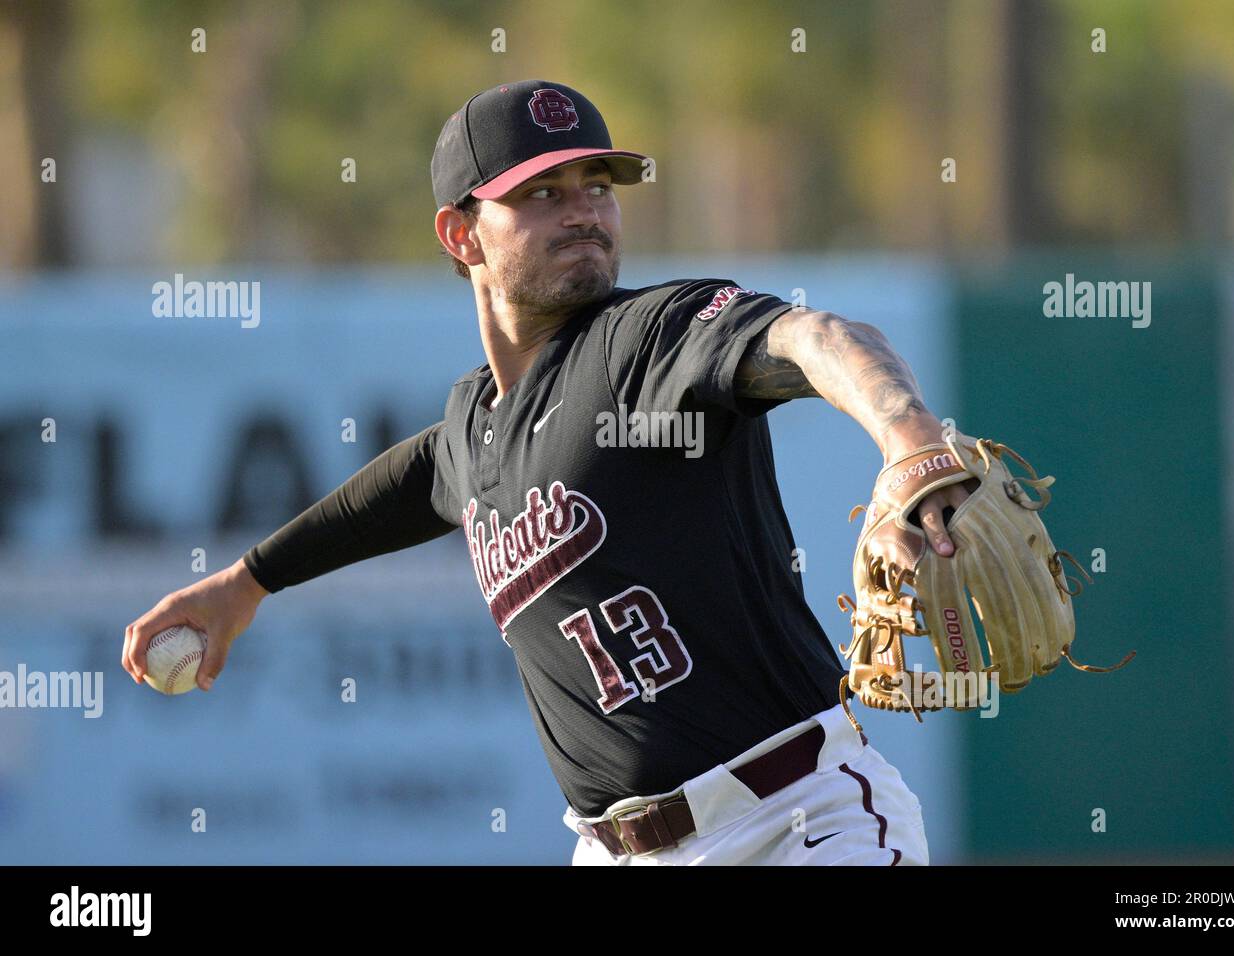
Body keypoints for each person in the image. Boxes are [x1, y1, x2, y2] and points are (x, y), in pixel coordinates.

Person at [123, 79, 970, 866]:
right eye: (541, 194)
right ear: (461, 233)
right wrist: (248, 581)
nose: (585, 213)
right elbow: (400, 489)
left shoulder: (650, 339)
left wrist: (905, 432)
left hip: (799, 823)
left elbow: (814, 337)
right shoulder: (471, 431)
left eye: (597, 185)